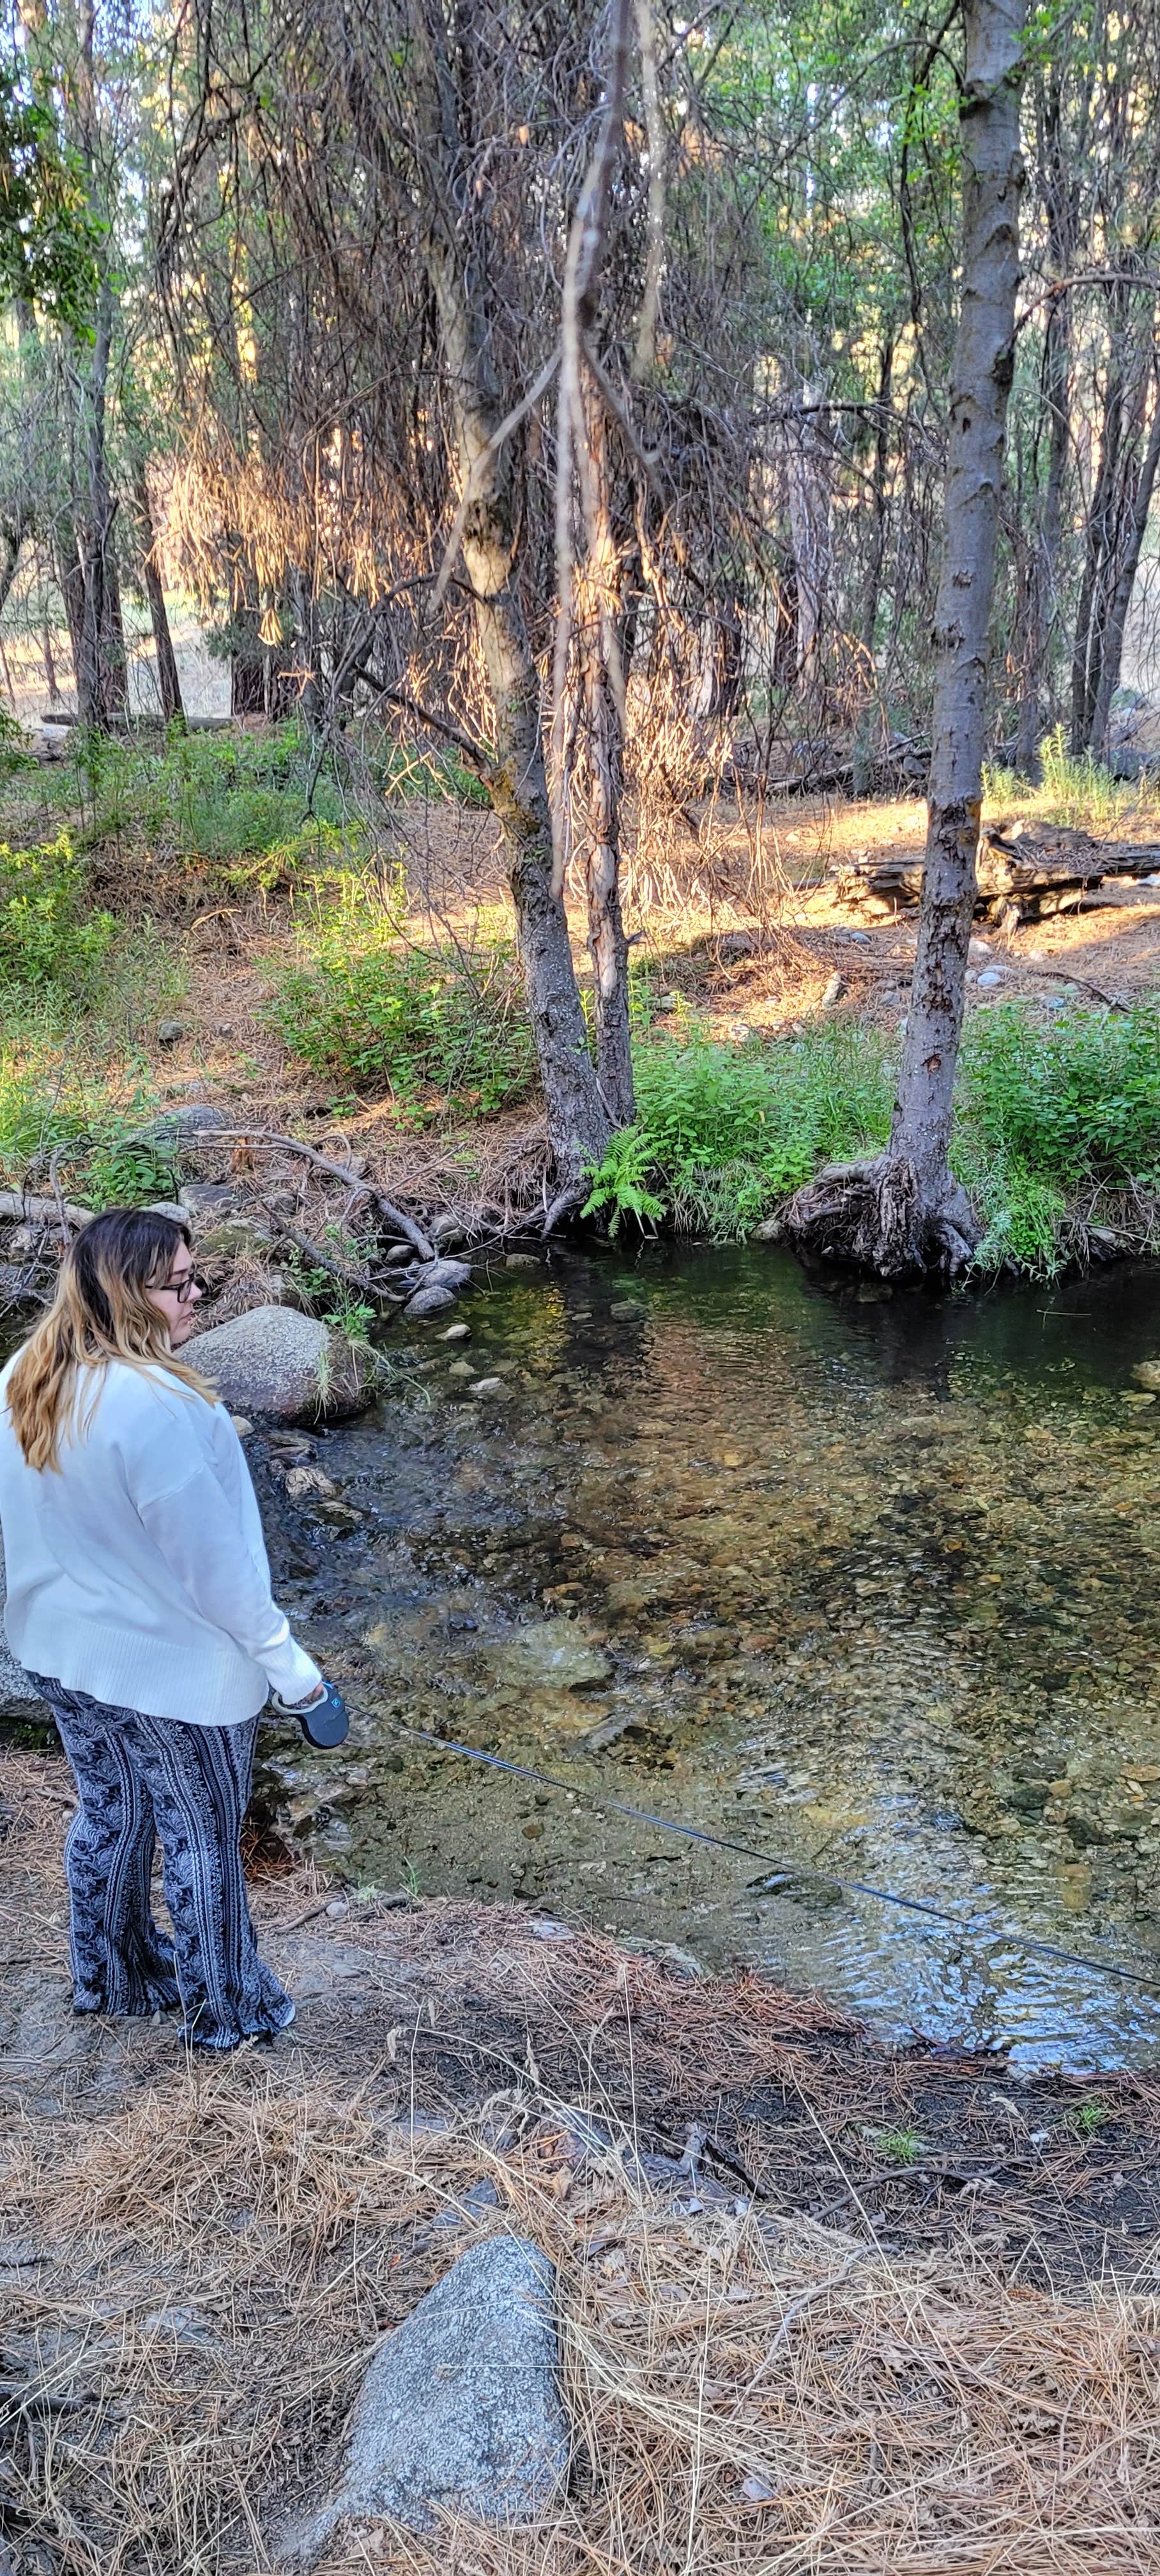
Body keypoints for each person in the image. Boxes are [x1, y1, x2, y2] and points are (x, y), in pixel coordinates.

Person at [0, 1206, 328, 2052]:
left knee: (112, 1814)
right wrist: (295, 1673)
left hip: (58, 1654)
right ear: (123, 1294)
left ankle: (112, 1978)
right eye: (179, 1285)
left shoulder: (23, 1377)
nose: (198, 1298)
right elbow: (219, 1572)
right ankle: (230, 2012)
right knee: (204, 1840)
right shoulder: (163, 1407)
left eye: (197, 1279)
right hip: (176, 1676)